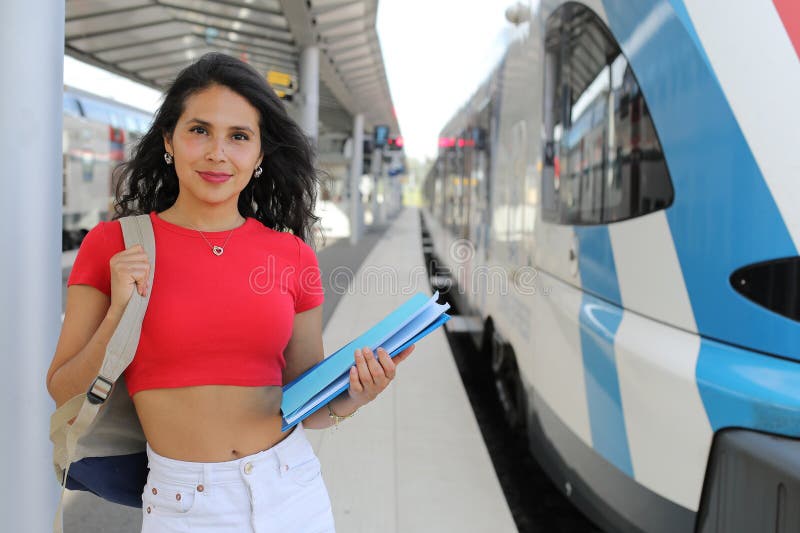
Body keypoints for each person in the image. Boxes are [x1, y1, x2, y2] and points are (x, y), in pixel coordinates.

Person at [46, 52, 415, 532]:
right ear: (168, 142)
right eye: (199, 130)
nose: (218, 152)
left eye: (239, 137)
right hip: (181, 503)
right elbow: (63, 391)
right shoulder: (114, 245)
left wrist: (358, 394)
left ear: (260, 155)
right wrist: (120, 313)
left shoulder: (292, 255)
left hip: (292, 491)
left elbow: (310, 404)